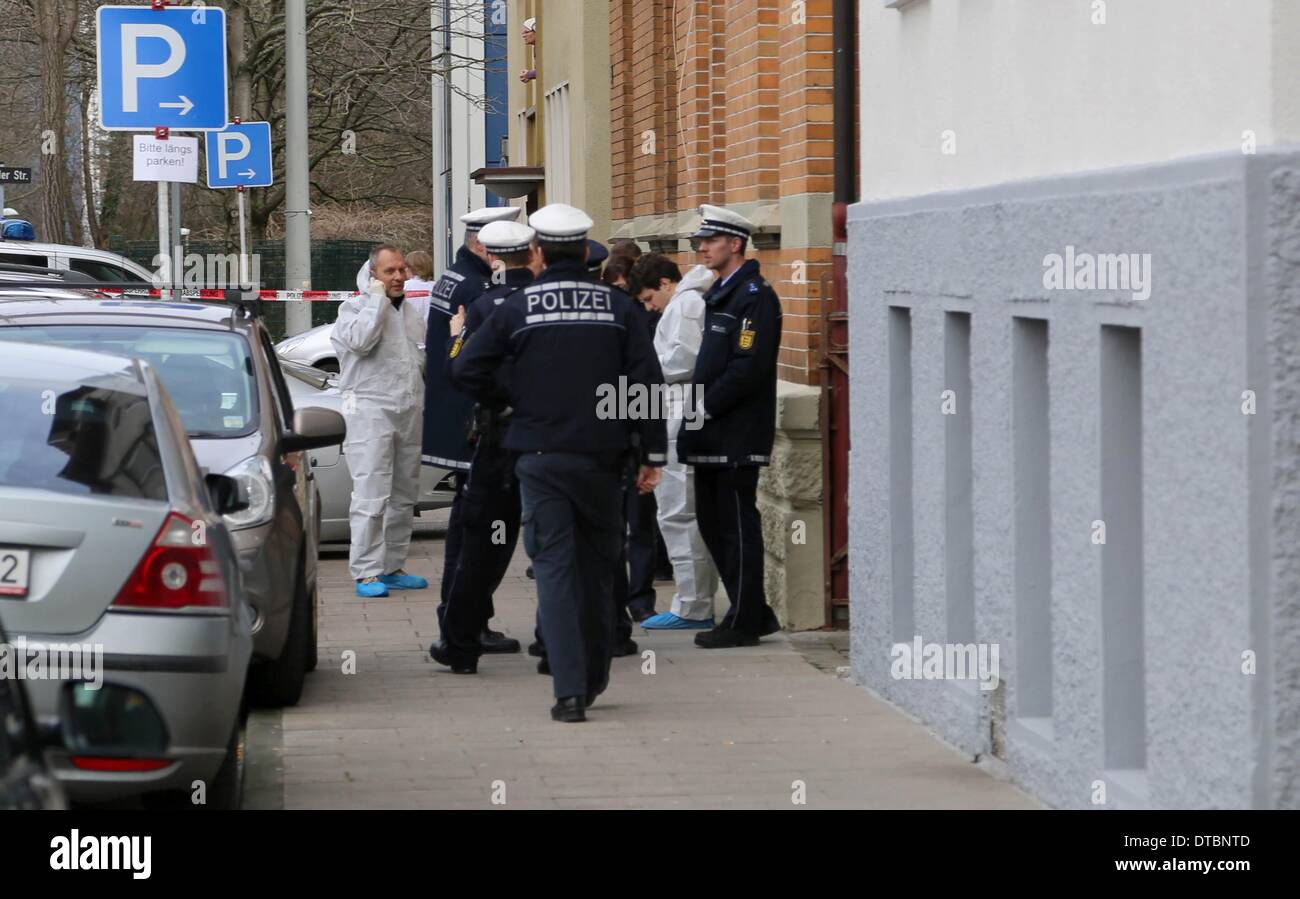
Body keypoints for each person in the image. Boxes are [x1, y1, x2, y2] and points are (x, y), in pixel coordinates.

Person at [452, 203, 667, 722]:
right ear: (585, 251)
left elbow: (466, 369)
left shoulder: (518, 306)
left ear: (539, 252)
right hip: (603, 459)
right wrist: (650, 453)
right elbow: (646, 384)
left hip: (538, 456)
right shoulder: (618, 308)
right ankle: (593, 672)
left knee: (553, 568)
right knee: (597, 567)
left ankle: (569, 689)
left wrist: (511, 401)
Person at [430, 220, 543, 673]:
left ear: (494, 255)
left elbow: (460, 369)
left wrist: (460, 336)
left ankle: (460, 638)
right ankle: (561, 639)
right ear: (531, 255)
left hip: (497, 440)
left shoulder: (483, 305)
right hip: (546, 440)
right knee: (548, 540)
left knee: (482, 539)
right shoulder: (538, 304)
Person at [678, 205, 783, 648]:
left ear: (735, 244)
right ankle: (754, 612)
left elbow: (747, 369)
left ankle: (743, 621)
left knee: (736, 527)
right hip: (710, 431)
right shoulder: (720, 293)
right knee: (712, 524)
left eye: (709, 240)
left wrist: (703, 409)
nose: (700, 247)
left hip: (734, 433)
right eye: (698, 241)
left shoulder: (754, 296)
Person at [626, 252, 720, 629]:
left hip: (680, 410)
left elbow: (681, 359)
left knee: (678, 511)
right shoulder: (687, 302)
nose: (650, 306)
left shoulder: (685, 305)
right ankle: (693, 601)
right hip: (678, 408)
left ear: (665, 283)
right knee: (680, 511)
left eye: (650, 298)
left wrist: (639, 368)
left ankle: (693, 607)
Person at [333, 245, 428, 597]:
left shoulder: (410, 313)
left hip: (406, 409)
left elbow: (416, 361)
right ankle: (367, 572)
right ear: (373, 276)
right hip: (370, 411)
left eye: (402, 269)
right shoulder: (354, 309)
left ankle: (392, 565)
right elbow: (360, 342)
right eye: (390, 271)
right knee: (371, 494)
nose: (399, 277)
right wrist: (376, 302)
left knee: (403, 494)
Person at [403, 250, 436, 323]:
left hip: (410, 331)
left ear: (410, 268)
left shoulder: (404, 287)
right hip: (432, 331)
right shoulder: (437, 287)